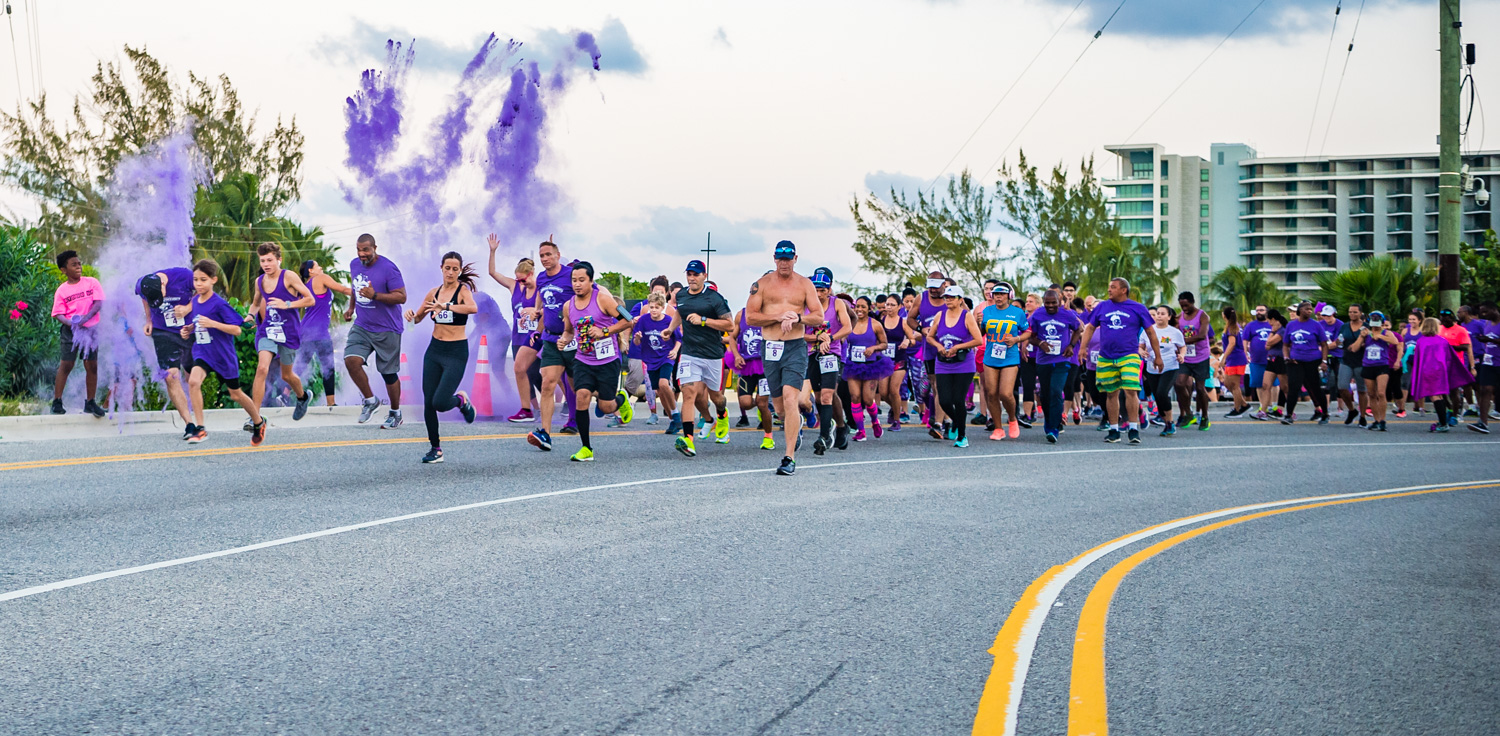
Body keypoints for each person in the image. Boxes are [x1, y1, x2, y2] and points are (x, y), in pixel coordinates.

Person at [746, 240, 824, 476]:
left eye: (788, 258)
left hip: (794, 348)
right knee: (779, 407)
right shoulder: (761, 285)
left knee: (792, 400)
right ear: (774, 259)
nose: (784, 263)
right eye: (780, 258)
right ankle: (794, 427)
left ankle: (788, 457)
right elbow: (750, 317)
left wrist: (798, 319)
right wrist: (779, 316)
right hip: (770, 347)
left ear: (795, 259)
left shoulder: (805, 284)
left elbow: (818, 316)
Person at [404, 252, 480, 463]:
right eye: (448, 268)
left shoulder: (462, 291)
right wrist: (411, 316)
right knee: (429, 402)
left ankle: (460, 400)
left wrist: (446, 306)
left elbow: (473, 308)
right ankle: (435, 448)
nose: (451, 272)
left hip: (456, 353)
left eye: (455, 269)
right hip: (434, 351)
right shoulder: (433, 292)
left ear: (460, 271)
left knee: (440, 401)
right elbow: (418, 318)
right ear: (441, 268)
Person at [555, 261, 634, 461]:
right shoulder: (568, 306)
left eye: (582, 280)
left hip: (607, 359)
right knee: (581, 395)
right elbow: (568, 330)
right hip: (583, 359)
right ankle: (586, 448)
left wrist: (604, 331)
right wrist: (564, 340)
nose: (577, 284)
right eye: (574, 280)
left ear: (591, 281)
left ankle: (621, 400)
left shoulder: (604, 299)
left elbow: (628, 319)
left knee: (606, 407)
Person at [180, 259, 264, 445]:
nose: (199, 284)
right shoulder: (195, 301)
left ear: (214, 280)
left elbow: (237, 330)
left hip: (223, 356)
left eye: (203, 279)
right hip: (204, 353)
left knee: (236, 394)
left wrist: (213, 324)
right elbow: (198, 322)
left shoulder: (219, 304)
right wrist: (189, 329)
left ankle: (258, 421)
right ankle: (200, 429)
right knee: (193, 382)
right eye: (195, 280)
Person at [1077, 278, 1161, 444]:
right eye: (1109, 287)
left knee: (1131, 390)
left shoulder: (1137, 308)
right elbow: (1090, 328)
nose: (1109, 290)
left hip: (1129, 355)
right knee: (1111, 392)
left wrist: (1157, 356)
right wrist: (1082, 348)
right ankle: (1114, 429)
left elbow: (1151, 333)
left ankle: (1133, 428)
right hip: (1106, 356)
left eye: (1113, 287)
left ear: (1123, 290)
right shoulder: (1102, 306)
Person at [670, 259, 734, 457]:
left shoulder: (714, 298)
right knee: (689, 392)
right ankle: (688, 440)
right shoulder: (681, 295)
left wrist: (703, 320)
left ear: (704, 276)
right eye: (689, 274)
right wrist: (670, 329)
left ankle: (721, 415)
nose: (691, 278)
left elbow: (729, 325)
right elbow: (680, 313)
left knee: (716, 397)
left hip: (713, 354)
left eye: (696, 274)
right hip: (690, 353)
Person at [343, 234, 408, 429]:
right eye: (359, 250)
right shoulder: (354, 264)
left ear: (374, 248)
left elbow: (402, 297)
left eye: (366, 250)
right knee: (351, 360)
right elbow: (355, 288)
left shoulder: (388, 268)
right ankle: (370, 401)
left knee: (388, 373)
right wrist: (351, 308)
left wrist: (376, 295)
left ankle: (395, 412)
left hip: (387, 328)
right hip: (363, 325)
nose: (362, 254)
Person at [247, 242, 315, 422]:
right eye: (262, 261)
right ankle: (255, 417)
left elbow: (310, 299)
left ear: (279, 260)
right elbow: (255, 303)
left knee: (287, 375)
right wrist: (249, 316)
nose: (266, 264)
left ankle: (302, 397)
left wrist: (287, 304)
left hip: (289, 333)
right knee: (262, 368)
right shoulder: (260, 281)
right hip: (267, 331)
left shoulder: (289, 277)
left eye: (269, 260)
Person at [526, 240, 579, 451]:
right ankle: (545, 434)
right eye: (542, 256)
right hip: (551, 339)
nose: (545, 259)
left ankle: (610, 404)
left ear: (558, 255)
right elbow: (542, 298)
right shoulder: (540, 278)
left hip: (574, 339)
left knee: (579, 387)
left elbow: (593, 292)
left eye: (548, 254)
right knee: (548, 383)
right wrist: (537, 315)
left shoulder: (571, 275)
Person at [487, 234, 542, 423]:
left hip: (536, 337)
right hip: (518, 337)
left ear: (531, 274)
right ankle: (533, 409)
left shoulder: (542, 288)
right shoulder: (514, 286)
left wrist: (536, 310)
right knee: (523, 372)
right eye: (517, 279)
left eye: (523, 279)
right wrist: (493, 251)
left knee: (540, 373)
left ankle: (567, 402)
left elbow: (550, 309)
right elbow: (493, 273)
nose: (520, 283)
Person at [135, 265, 196, 434]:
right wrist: (149, 320)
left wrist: (187, 308)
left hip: (188, 330)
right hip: (163, 332)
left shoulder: (184, 276)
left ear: (163, 285)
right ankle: (189, 424)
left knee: (192, 378)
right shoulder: (142, 284)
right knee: (170, 377)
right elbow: (144, 299)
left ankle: (197, 413)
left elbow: (205, 291)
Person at [49, 250, 106, 417]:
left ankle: (90, 402)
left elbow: (98, 303)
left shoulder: (91, 283)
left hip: (91, 329)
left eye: (79, 263)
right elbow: (58, 313)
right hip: (70, 331)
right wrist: (72, 323)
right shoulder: (62, 291)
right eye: (74, 264)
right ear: (63, 270)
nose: (78, 266)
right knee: (67, 364)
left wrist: (85, 318)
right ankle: (57, 402)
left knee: (92, 365)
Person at [927, 285, 984, 447]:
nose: (948, 300)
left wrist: (958, 347)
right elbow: (930, 337)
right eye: (946, 297)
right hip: (943, 363)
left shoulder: (966, 316)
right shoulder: (940, 315)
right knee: (944, 400)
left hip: (963, 363)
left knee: (958, 399)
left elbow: (978, 340)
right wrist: (938, 346)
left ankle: (962, 436)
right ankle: (958, 422)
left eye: (952, 297)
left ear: (960, 300)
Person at [806, 267, 853, 455]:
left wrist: (831, 339)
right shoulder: (806, 305)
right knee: (819, 397)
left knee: (827, 394)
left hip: (832, 353)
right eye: (815, 290)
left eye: (823, 290)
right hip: (812, 353)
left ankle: (824, 437)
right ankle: (841, 426)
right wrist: (818, 339)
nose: (819, 294)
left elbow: (848, 327)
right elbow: (801, 334)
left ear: (830, 288)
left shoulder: (837, 304)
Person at [295, 260, 352, 408]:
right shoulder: (321, 278)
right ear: (311, 271)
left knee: (300, 367)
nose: (321, 267)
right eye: (317, 265)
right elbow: (344, 290)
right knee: (328, 367)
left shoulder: (305, 287)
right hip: (319, 333)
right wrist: (365, 293)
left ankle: (284, 395)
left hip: (306, 331)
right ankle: (331, 403)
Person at [1028, 288, 1082, 443]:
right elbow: (1031, 336)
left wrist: (1071, 345)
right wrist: (1041, 343)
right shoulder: (1038, 315)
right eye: (1047, 303)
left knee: (1056, 391)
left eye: (1053, 303)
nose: (1050, 306)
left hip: (1061, 360)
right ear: (1043, 302)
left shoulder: (1067, 314)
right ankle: (1049, 421)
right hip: (1043, 360)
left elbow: (1078, 329)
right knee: (1045, 394)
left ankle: (1054, 427)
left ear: (1059, 302)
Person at [979, 283, 1029, 441]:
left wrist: (1017, 339)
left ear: (1009, 295)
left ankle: (1013, 419)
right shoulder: (987, 311)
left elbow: (1028, 331)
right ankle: (998, 428)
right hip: (990, 356)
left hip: (1010, 356)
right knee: (991, 393)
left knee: (1005, 393)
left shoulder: (1017, 312)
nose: (998, 297)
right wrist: (977, 322)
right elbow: (980, 333)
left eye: (1002, 294)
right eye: (996, 294)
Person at [730, 282, 776, 449]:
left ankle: (768, 437)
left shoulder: (771, 314)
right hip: (747, 365)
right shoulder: (741, 315)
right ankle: (760, 407)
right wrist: (736, 355)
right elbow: (732, 338)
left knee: (763, 402)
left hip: (765, 365)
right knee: (745, 403)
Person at [1410, 317, 1475, 432]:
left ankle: (1443, 423)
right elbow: (1450, 358)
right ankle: (1443, 421)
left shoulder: (1421, 341)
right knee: (1439, 395)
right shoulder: (1443, 341)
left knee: (1434, 396)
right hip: (1441, 371)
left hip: (1428, 371)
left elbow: (1419, 358)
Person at [843, 295, 891, 442]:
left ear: (870, 308)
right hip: (853, 365)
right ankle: (861, 430)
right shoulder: (849, 324)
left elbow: (884, 344)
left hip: (871, 365)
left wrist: (873, 348)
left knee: (868, 399)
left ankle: (875, 421)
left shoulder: (875, 325)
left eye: (863, 306)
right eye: (857, 306)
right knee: (855, 397)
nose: (859, 309)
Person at [908, 271, 950, 437]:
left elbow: (966, 316)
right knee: (934, 386)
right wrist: (920, 328)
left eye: (936, 287)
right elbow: (910, 319)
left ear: (943, 284)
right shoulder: (921, 298)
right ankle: (947, 420)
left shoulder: (951, 298)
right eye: (930, 287)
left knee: (941, 387)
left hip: (947, 348)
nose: (933, 290)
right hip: (929, 349)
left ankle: (938, 424)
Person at [634, 290, 681, 434]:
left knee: (663, 383)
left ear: (662, 308)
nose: (653, 310)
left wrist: (674, 350)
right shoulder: (643, 320)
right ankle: (673, 420)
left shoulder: (668, 321)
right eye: (651, 307)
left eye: (657, 307)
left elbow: (679, 338)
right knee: (659, 391)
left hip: (666, 357)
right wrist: (637, 337)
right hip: (650, 359)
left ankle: (676, 413)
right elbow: (637, 342)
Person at [1349, 311, 1399, 432]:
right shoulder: (1366, 333)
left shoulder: (1387, 332)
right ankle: (1376, 420)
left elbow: (1395, 342)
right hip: (1368, 365)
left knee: (1381, 393)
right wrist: (1362, 336)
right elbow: (1354, 348)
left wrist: (1380, 336)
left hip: (1382, 365)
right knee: (1371, 393)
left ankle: (1383, 420)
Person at [1142, 305, 1185, 436]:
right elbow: (1140, 346)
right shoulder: (1148, 331)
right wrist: (1142, 352)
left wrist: (1181, 355)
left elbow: (1182, 347)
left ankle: (1170, 422)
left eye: (1162, 313)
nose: (1159, 316)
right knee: (1158, 396)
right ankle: (1166, 422)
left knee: (1162, 392)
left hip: (1170, 366)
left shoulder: (1174, 332)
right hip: (1151, 368)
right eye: (1157, 313)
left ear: (1169, 317)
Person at [1174, 291, 1213, 430]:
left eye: (1186, 305)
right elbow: (1173, 331)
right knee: (1179, 384)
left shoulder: (1203, 316)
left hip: (1201, 356)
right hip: (1186, 356)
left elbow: (1202, 335)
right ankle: (1189, 413)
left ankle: (1205, 416)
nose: (1184, 308)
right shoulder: (1180, 317)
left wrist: (1181, 342)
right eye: (1181, 306)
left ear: (1192, 302)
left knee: (1201, 388)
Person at [879, 293, 915, 431]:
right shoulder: (881, 321)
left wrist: (907, 341)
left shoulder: (903, 322)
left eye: (892, 305)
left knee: (894, 390)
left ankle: (896, 420)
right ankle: (896, 408)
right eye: (887, 304)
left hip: (899, 360)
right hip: (884, 360)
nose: (889, 307)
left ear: (899, 306)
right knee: (883, 392)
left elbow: (912, 339)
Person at [1436, 309, 1476, 427]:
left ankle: (1455, 415)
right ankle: (1449, 408)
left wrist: (1449, 346)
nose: (1444, 321)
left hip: (1456, 364)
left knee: (1454, 391)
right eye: (1442, 319)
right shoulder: (1440, 329)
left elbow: (1465, 347)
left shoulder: (1461, 330)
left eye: (1447, 319)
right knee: (1441, 390)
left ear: (1452, 318)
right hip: (1441, 363)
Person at [1469, 302, 1500, 433]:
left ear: (1494, 310)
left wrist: (1490, 340)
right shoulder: (1486, 324)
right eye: (1482, 312)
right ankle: (1483, 423)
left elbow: (1492, 340)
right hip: (1489, 361)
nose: (1483, 315)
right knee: (1484, 389)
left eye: (1486, 312)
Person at [1335, 304, 1368, 427]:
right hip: (1346, 360)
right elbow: (1340, 341)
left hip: (1361, 361)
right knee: (1342, 386)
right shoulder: (1344, 326)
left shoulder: (1366, 327)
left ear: (1360, 313)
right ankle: (1351, 409)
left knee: (1362, 390)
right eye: (1350, 312)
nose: (1352, 314)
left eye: (1355, 312)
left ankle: (1363, 416)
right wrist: (1337, 343)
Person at [1219, 306, 1250, 417]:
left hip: (1236, 358)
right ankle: (1244, 404)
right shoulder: (1232, 326)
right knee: (1227, 383)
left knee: (1234, 385)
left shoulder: (1232, 328)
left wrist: (1223, 358)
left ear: (1224, 315)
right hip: (1233, 359)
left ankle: (1237, 409)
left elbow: (1232, 343)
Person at [1394, 309, 1425, 416]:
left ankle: (1420, 407)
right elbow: (1400, 344)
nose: (1411, 321)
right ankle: (1401, 408)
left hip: (1419, 360)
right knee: (1404, 382)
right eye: (1410, 319)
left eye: (1414, 319)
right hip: (1407, 360)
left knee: (1419, 383)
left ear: (1420, 320)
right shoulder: (1405, 331)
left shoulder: (1423, 331)